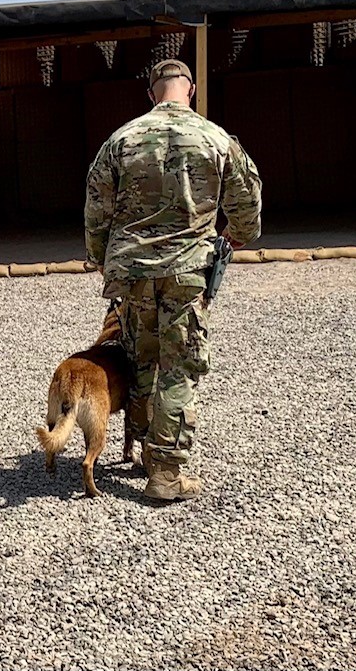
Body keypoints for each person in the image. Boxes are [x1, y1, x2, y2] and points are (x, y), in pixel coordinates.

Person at [83, 58, 262, 502]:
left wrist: (101, 258)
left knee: (141, 360)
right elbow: (248, 203)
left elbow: (96, 207)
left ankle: (145, 449)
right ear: (192, 89)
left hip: (133, 274)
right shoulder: (216, 139)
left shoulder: (121, 140)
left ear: (151, 93)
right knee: (178, 367)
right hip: (187, 271)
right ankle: (165, 472)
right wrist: (232, 239)